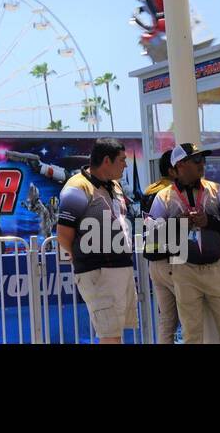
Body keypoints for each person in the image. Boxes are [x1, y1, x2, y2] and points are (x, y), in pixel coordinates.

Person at [148, 143, 220, 344]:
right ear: (179, 166)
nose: (202, 164)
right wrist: (178, 223)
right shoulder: (162, 197)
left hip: (218, 268)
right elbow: (149, 239)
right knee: (191, 334)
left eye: (203, 159)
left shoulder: (216, 190)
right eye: (197, 160)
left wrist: (209, 221)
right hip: (184, 270)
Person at [56, 137, 136, 344]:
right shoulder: (77, 186)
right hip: (98, 273)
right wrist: (85, 259)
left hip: (121, 268)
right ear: (107, 161)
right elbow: (63, 234)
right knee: (109, 336)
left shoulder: (115, 185)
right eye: (122, 160)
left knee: (116, 334)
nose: (126, 165)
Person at [141, 149, 179, 344]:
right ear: (172, 170)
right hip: (172, 262)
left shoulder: (149, 190)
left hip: (154, 264)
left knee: (166, 321)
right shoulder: (171, 192)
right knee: (193, 315)